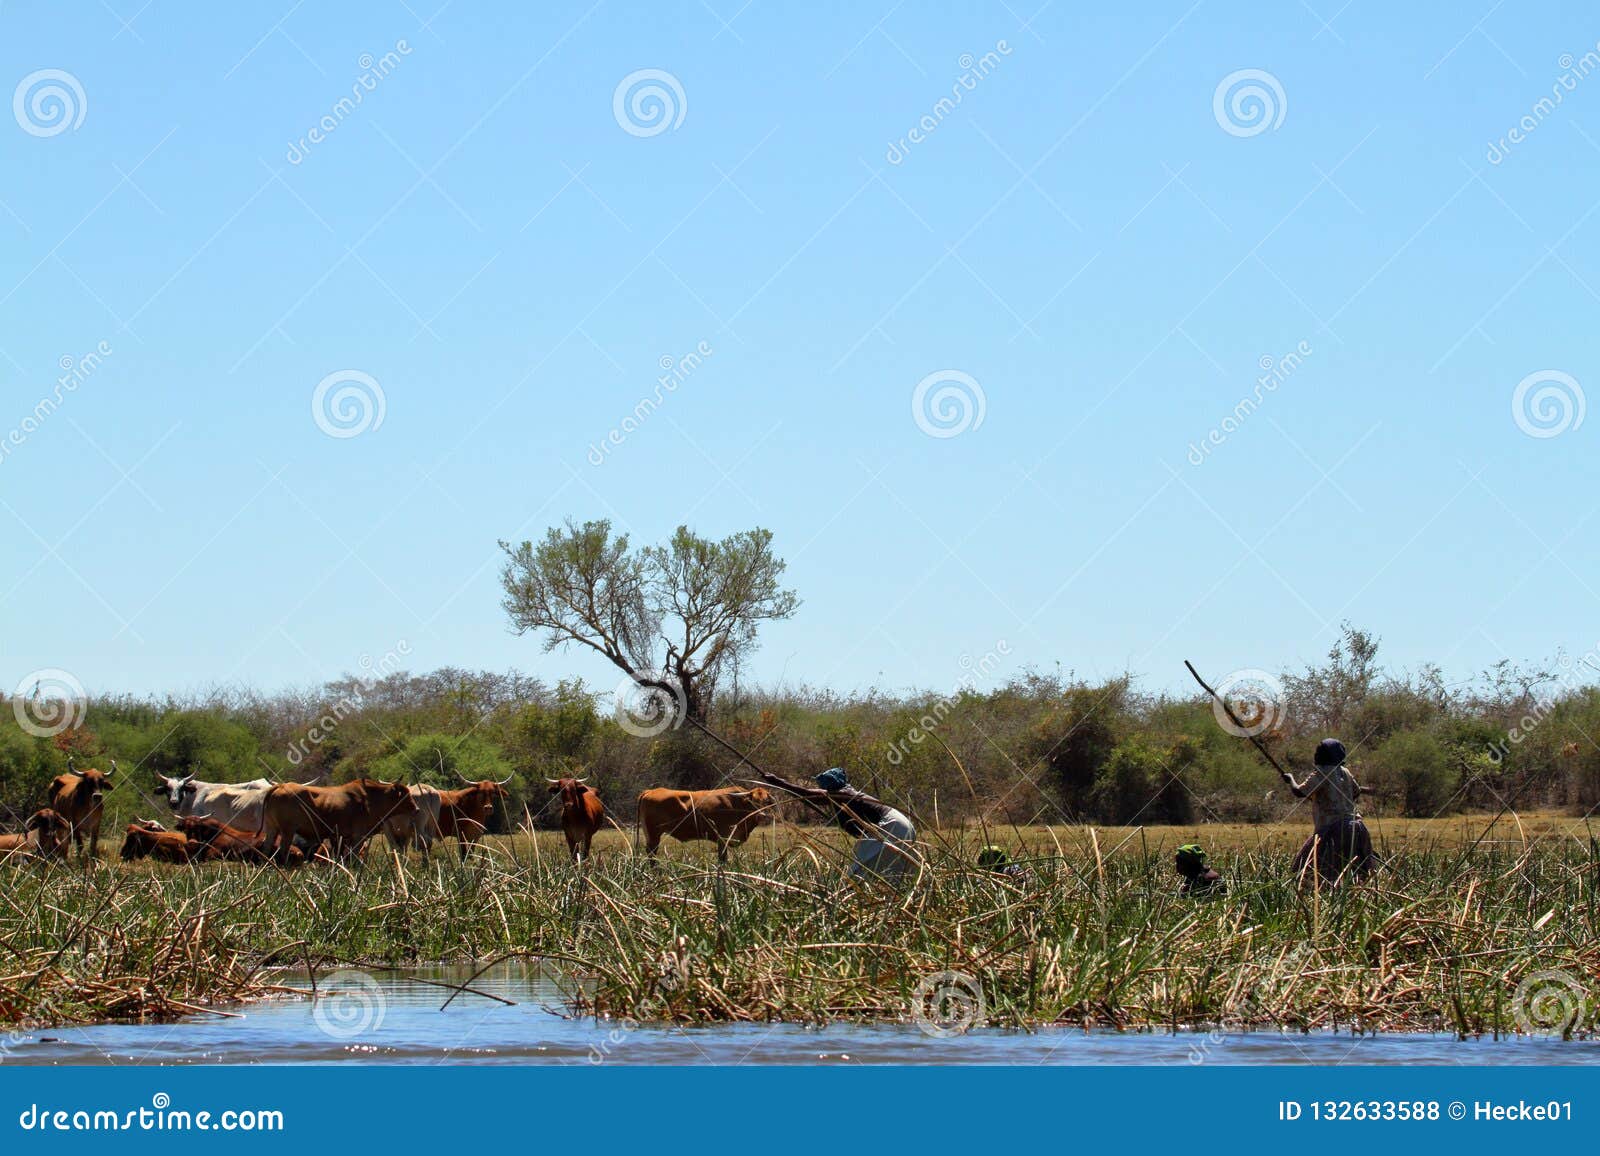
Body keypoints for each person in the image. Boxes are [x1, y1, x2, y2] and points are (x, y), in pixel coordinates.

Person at [759, 767, 917, 883]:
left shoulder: (842, 794)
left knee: (858, 873)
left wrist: (777, 782)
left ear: (829, 786)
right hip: (902, 824)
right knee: (893, 871)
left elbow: (808, 795)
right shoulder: (846, 795)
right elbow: (811, 797)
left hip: (891, 825)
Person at [1284, 738, 1374, 883]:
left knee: (1304, 868)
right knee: (1355, 870)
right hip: (1357, 826)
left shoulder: (1322, 772)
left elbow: (1299, 792)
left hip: (1333, 829)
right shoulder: (1345, 772)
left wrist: (1290, 779)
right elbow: (1356, 792)